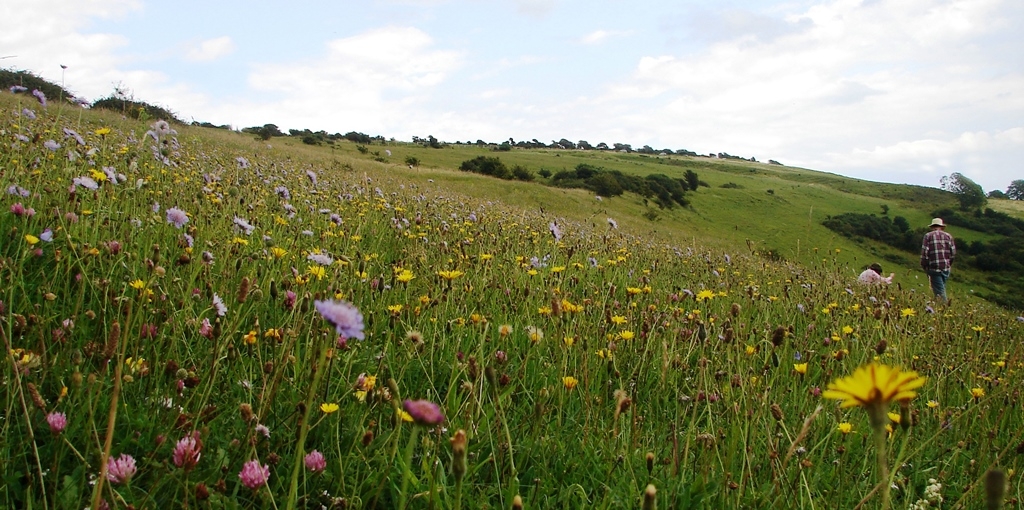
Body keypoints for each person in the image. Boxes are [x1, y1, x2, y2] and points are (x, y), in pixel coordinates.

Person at [920, 218, 955, 302]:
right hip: (946, 268)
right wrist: (949, 264)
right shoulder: (948, 236)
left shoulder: (928, 236)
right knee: (941, 288)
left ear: (932, 227)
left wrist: (924, 266)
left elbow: (924, 253)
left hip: (934, 268)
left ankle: (944, 309)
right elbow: (953, 253)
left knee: (940, 294)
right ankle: (939, 308)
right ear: (941, 227)